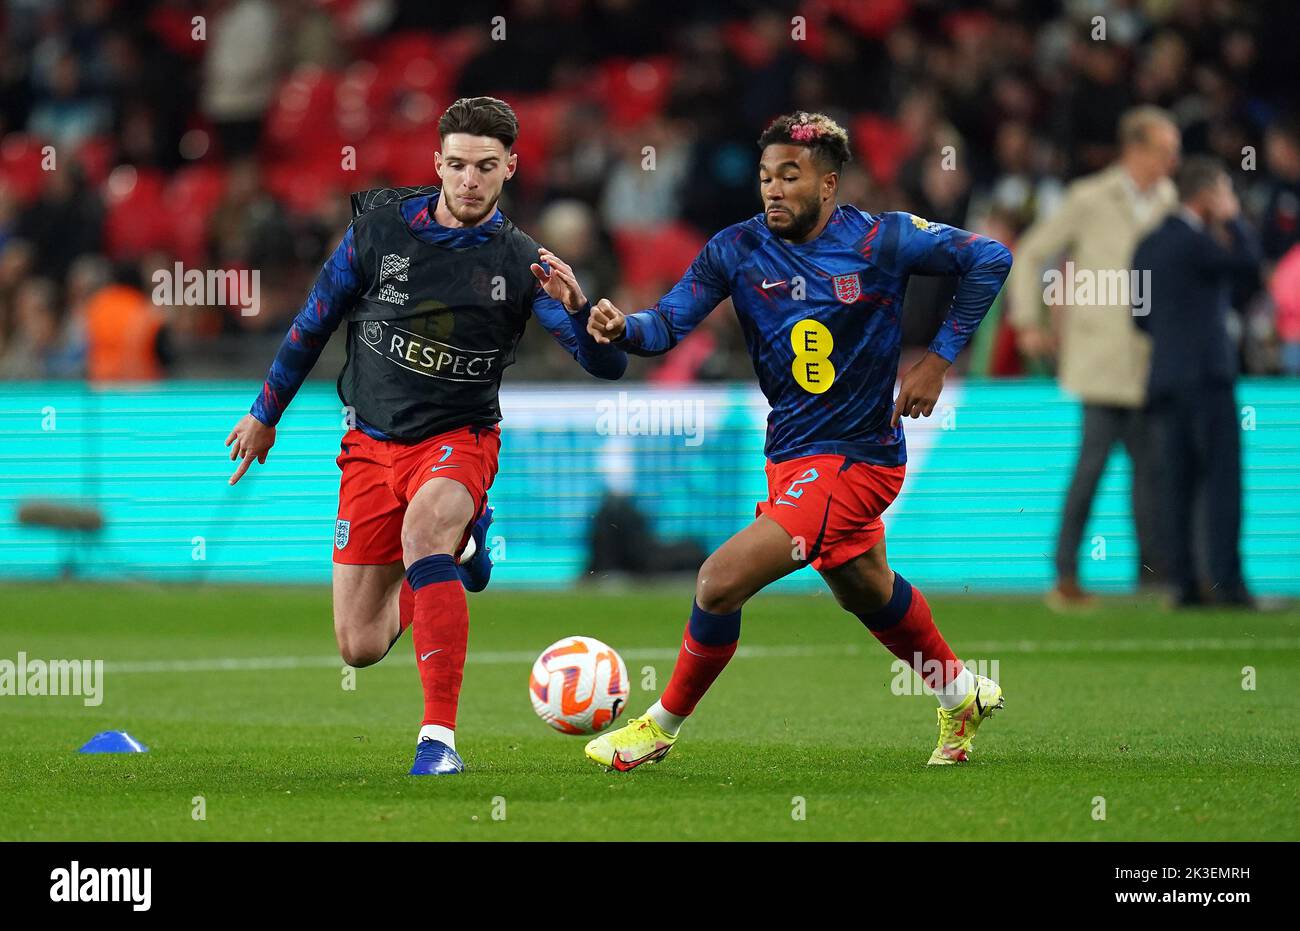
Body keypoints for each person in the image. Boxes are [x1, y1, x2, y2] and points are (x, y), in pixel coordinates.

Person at [581, 111, 1013, 771]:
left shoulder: (881, 240)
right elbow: (667, 324)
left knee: (719, 580)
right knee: (865, 589)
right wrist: (621, 326)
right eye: (765, 177)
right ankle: (961, 693)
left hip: (858, 457)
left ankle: (657, 728)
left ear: (829, 183)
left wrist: (939, 359)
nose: (774, 189)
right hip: (791, 454)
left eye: (791, 175)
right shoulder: (738, 249)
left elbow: (990, 257)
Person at [223, 97, 627, 775]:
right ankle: (465, 544)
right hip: (370, 445)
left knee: (423, 532)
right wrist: (266, 413)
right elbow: (314, 321)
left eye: (487, 167)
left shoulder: (524, 263)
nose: (471, 179)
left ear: (510, 169)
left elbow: (603, 365)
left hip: (457, 438)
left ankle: (437, 739)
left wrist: (585, 310)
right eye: (460, 165)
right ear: (438, 163)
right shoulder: (377, 231)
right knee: (360, 643)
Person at [1006, 106, 1179, 608]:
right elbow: (1032, 252)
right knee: (1093, 467)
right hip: (1102, 362)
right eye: (1165, 150)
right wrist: (1027, 322)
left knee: (1151, 475)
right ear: (1136, 150)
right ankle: (1065, 575)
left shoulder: (1170, 200)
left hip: (1152, 361)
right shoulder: (1089, 198)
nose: (1172, 160)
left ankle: (1156, 577)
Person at [1134, 157, 1258, 608]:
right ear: (1205, 197)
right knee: (1221, 483)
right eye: (1223, 193)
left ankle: (1184, 585)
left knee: (1176, 487)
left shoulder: (1147, 245)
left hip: (1164, 380)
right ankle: (1228, 585)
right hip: (1208, 379)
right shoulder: (1201, 243)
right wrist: (1234, 221)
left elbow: (1140, 318)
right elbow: (1249, 266)